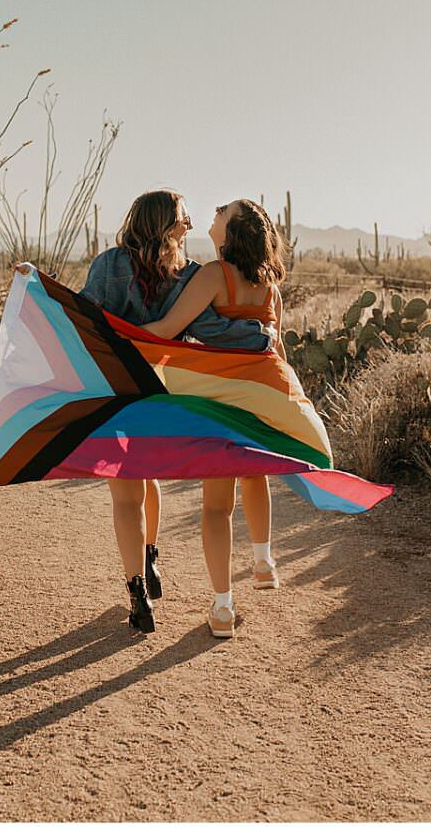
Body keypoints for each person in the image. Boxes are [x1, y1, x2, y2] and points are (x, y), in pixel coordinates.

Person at [78, 190, 271, 635]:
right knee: (147, 479)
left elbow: (84, 318)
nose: (191, 224)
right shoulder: (188, 276)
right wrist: (262, 334)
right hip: (159, 392)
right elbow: (211, 330)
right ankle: (150, 558)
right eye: (184, 217)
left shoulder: (107, 265)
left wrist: (41, 289)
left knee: (126, 494)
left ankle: (138, 594)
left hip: (113, 388)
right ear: (165, 224)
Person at [141, 199, 286, 638]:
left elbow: (167, 329)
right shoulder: (270, 287)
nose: (215, 211)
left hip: (221, 397)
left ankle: (223, 608)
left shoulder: (212, 276)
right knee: (256, 474)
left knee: (216, 508)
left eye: (224, 211)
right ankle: (263, 562)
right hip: (261, 394)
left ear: (233, 231)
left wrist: (110, 333)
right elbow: (278, 350)